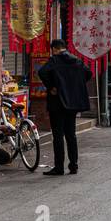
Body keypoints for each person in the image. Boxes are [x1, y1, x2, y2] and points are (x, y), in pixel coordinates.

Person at [37, 39, 92, 175]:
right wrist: (74, 85)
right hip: (72, 103)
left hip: (57, 103)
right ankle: (73, 165)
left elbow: (42, 72)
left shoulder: (54, 60)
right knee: (71, 135)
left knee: (58, 135)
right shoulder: (76, 60)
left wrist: (51, 87)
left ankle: (59, 167)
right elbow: (88, 73)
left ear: (55, 49)